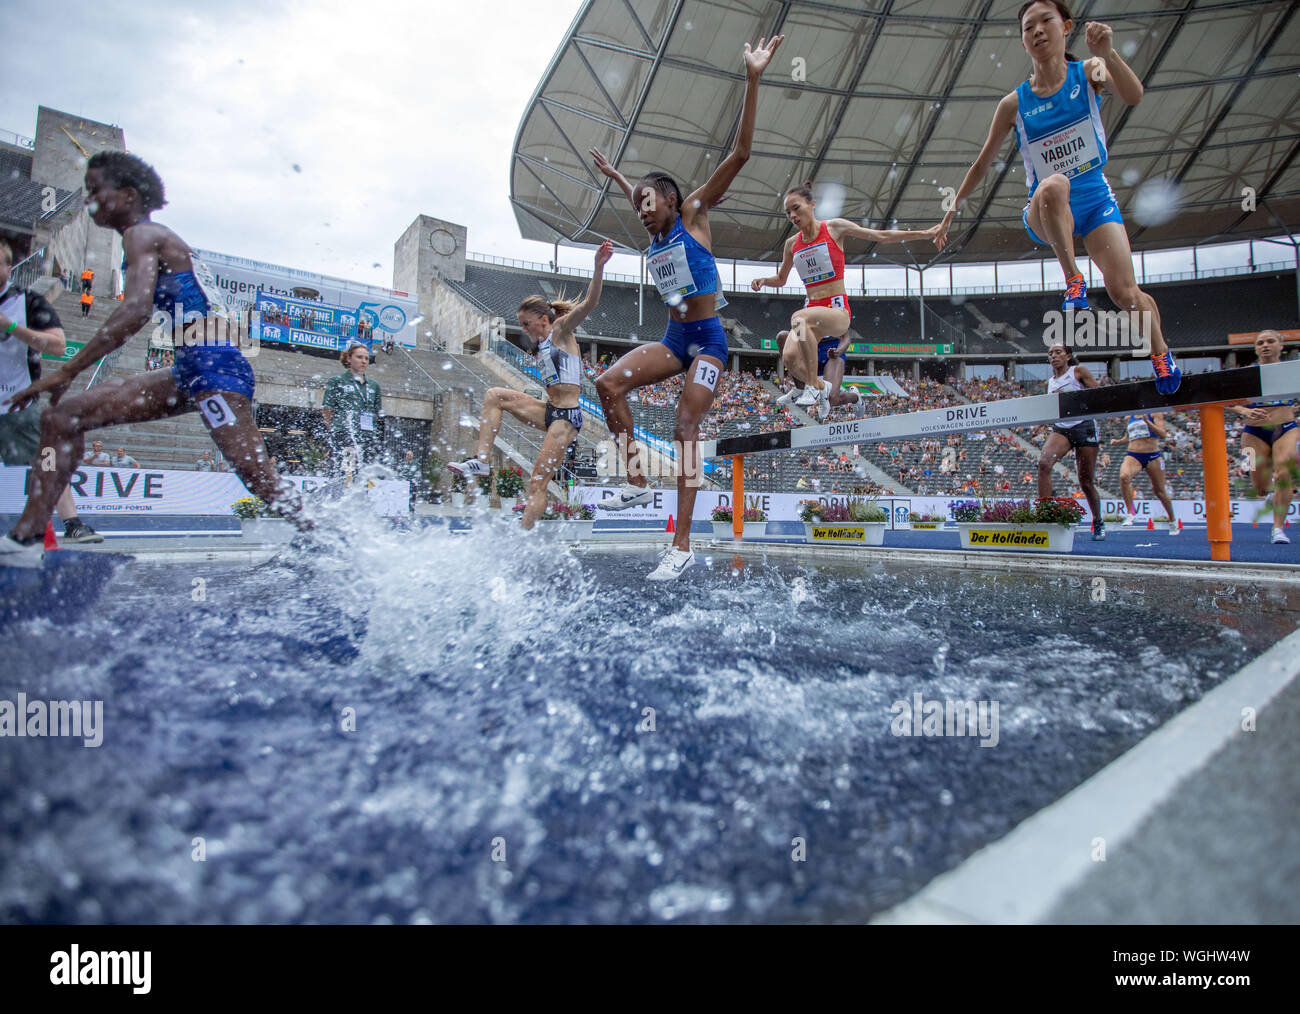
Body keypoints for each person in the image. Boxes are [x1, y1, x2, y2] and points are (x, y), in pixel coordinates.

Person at [0, 151, 299, 565]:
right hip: (190, 367)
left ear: (126, 194)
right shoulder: (149, 238)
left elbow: (136, 309)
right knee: (63, 416)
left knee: (257, 477)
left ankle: (328, 537)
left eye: (95, 190)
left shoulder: (142, 235)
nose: (88, 200)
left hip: (215, 367)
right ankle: (28, 535)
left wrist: (68, 369)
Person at [588, 34, 784, 580]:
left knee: (684, 425)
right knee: (606, 386)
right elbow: (639, 192)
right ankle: (634, 480)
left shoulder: (694, 212)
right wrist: (619, 180)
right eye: (639, 210)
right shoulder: (654, 232)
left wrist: (752, 77)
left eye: (649, 207)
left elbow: (741, 153)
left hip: (709, 341)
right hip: (675, 342)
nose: (643, 216)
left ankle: (682, 544)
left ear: (671, 200)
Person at [933, 1, 1181, 395]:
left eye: (1045, 21)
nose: (1037, 31)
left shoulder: (1088, 72)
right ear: (1022, 42)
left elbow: (1133, 95)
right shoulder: (1014, 104)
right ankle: (1073, 280)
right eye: (1028, 27)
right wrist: (950, 213)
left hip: (1095, 198)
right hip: (1044, 209)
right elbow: (982, 165)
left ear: (1066, 27)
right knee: (1054, 185)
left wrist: (1107, 54)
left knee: (1125, 292)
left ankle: (1160, 353)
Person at [449, 241, 614, 529]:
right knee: (494, 395)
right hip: (549, 410)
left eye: (526, 324)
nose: (524, 331)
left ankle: (524, 537)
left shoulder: (561, 331)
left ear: (543, 319)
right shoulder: (541, 345)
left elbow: (591, 303)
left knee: (537, 483)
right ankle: (483, 460)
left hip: (567, 418)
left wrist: (598, 267)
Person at [753, 184, 936, 420]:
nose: (793, 216)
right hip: (811, 316)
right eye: (788, 213)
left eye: (796, 209)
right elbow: (781, 278)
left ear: (812, 204)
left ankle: (811, 385)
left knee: (798, 318)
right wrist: (763, 280)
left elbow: (879, 236)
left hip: (836, 312)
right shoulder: (792, 244)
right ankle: (820, 388)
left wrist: (925, 234)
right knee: (788, 355)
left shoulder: (834, 228)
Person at [0, 239, 103, 547]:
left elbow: (58, 345)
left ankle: (72, 524)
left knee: (47, 463)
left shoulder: (27, 302)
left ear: (8, 268)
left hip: (17, 406)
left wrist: (11, 328)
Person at [1228, 330, 1296, 544]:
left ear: (1281, 346)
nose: (1265, 345)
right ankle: (1269, 494)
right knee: (1260, 486)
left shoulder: (1292, 370)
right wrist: (1245, 411)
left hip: (1286, 428)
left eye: (1270, 341)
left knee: (1284, 474)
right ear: (1256, 349)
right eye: (1260, 343)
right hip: (1253, 432)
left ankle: (1278, 529)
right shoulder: (1247, 373)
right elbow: (1228, 401)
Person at [1041, 343, 1104, 539]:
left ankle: (1098, 521)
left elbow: (1098, 396)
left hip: (1084, 425)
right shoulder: (1048, 383)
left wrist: (1070, 396)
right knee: (1044, 464)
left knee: (1085, 481)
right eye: (1050, 353)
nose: (1054, 356)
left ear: (1068, 356)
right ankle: (1045, 514)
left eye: (1058, 352)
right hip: (1062, 428)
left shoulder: (1078, 372)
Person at [1108, 413, 1177, 532]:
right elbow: (1129, 437)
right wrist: (1118, 441)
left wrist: (1148, 422)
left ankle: (1172, 520)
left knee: (1159, 491)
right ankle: (1130, 513)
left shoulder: (1155, 414)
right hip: (1134, 455)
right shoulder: (1128, 417)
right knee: (1124, 476)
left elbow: (1163, 434)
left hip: (1153, 455)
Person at [322, 341, 382, 474]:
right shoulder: (337, 381)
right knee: (345, 472)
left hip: (366, 435)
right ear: (349, 358)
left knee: (364, 475)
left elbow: (378, 412)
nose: (364, 361)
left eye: (366, 358)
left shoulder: (374, 385)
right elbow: (327, 410)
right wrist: (336, 428)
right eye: (359, 357)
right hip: (344, 433)